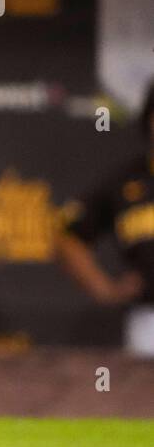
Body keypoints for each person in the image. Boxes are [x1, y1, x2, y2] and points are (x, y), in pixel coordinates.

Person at [56, 82, 154, 357]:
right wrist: (105, 289)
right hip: (149, 322)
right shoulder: (126, 182)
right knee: (143, 399)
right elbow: (69, 236)